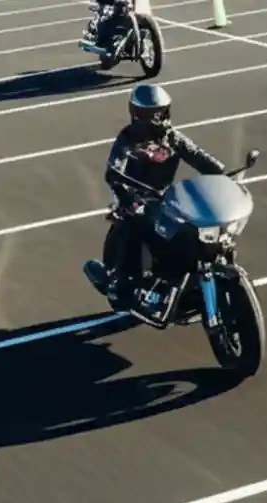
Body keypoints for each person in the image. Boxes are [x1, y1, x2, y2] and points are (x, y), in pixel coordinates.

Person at [86, 84, 227, 324]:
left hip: (164, 197)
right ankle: (118, 284)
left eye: (160, 112)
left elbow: (199, 156)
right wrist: (124, 192)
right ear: (136, 114)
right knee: (131, 228)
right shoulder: (127, 138)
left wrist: (223, 174)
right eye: (151, 113)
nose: (157, 118)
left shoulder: (172, 137)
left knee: (193, 231)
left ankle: (190, 278)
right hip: (132, 196)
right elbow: (114, 168)